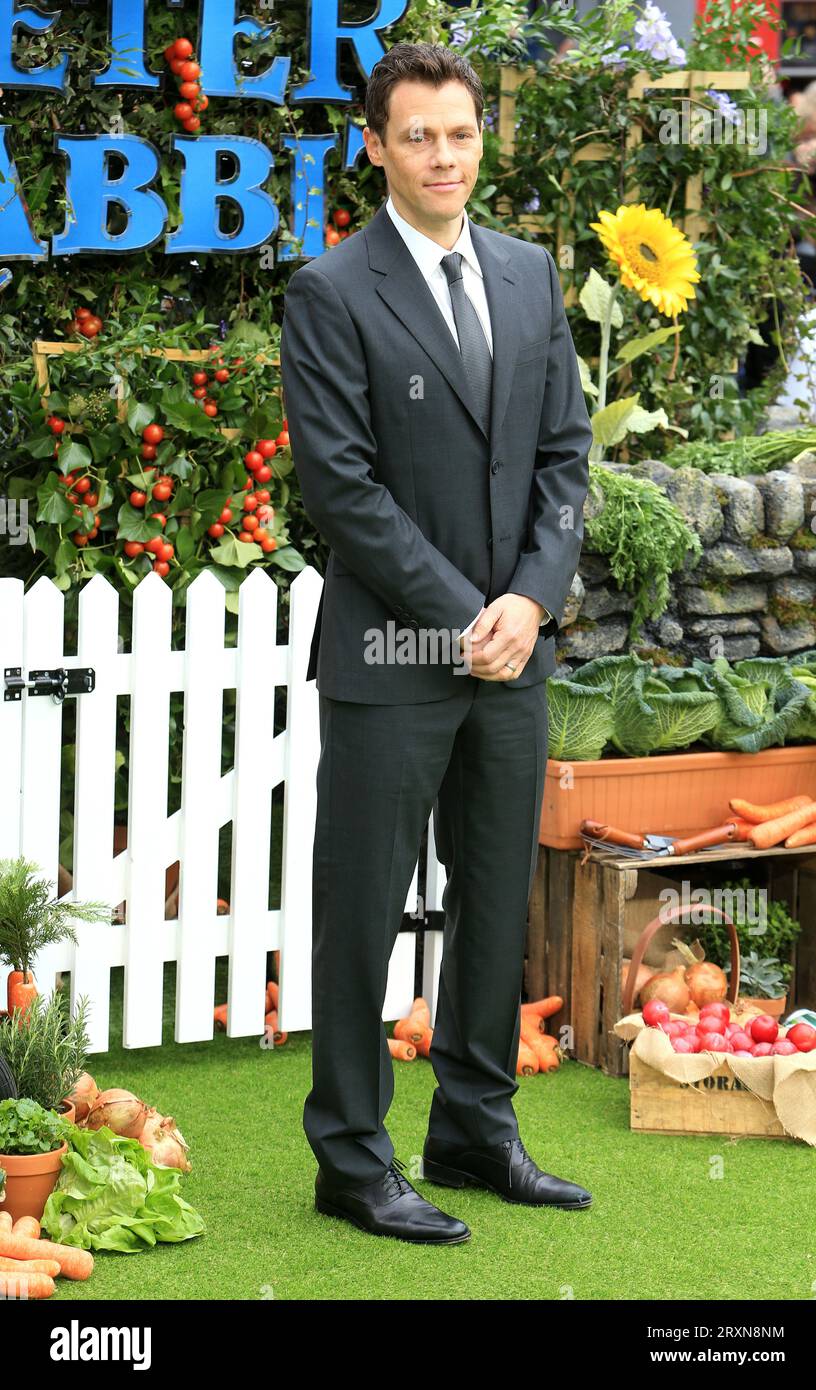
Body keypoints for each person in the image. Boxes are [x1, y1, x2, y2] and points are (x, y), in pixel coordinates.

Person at [279, 41, 593, 1246]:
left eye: (459, 133)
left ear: (480, 138)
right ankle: (351, 1158)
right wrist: (463, 616)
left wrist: (529, 601)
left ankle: (472, 1128)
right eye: (416, 135)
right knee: (360, 909)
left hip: (515, 651)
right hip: (393, 659)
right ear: (375, 145)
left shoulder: (527, 275)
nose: (442, 155)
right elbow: (343, 491)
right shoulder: (332, 291)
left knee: (492, 901)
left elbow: (565, 456)